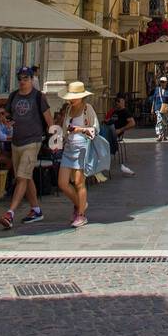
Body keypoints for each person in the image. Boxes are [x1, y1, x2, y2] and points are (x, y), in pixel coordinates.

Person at [0, 66, 53, 230]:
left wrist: (54, 140)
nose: (22, 81)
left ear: (32, 79)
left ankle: (10, 213)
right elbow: (9, 114)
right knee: (26, 176)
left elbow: (49, 120)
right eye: (20, 78)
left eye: (26, 78)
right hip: (16, 142)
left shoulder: (39, 97)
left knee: (21, 177)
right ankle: (36, 210)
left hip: (32, 141)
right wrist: (6, 120)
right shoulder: (14, 95)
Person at [56, 81, 101, 229]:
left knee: (78, 183)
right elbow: (64, 129)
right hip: (69, 149)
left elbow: (95, 130)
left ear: (81, 97)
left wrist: (79, 129)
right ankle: (80, 203)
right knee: (62, 183)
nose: (71, 99)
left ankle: (81, 214)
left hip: (82, 149)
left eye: (74, 97)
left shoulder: (88, 109)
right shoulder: (68, 109)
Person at [105, 95, 136, 175]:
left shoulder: (125, 112)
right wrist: (107, 121)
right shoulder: (115, 111)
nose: (117, 103)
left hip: (116, 132)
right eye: (116, 101)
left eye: (119, 101)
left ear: (123, 102)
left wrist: (120, 130)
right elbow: (111, 120)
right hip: (110, 129)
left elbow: (132, 123)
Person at [151, 75, 168, 142]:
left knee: (165, 122)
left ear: (166, 82)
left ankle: (164, 134)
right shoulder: (157, 89)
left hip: (166, 107)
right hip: (158, 107)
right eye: (161, 82)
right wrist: (152, 108)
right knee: (159, 121)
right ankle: (159, 135)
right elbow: (154, 99)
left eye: (164, 82)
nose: (162, 83)